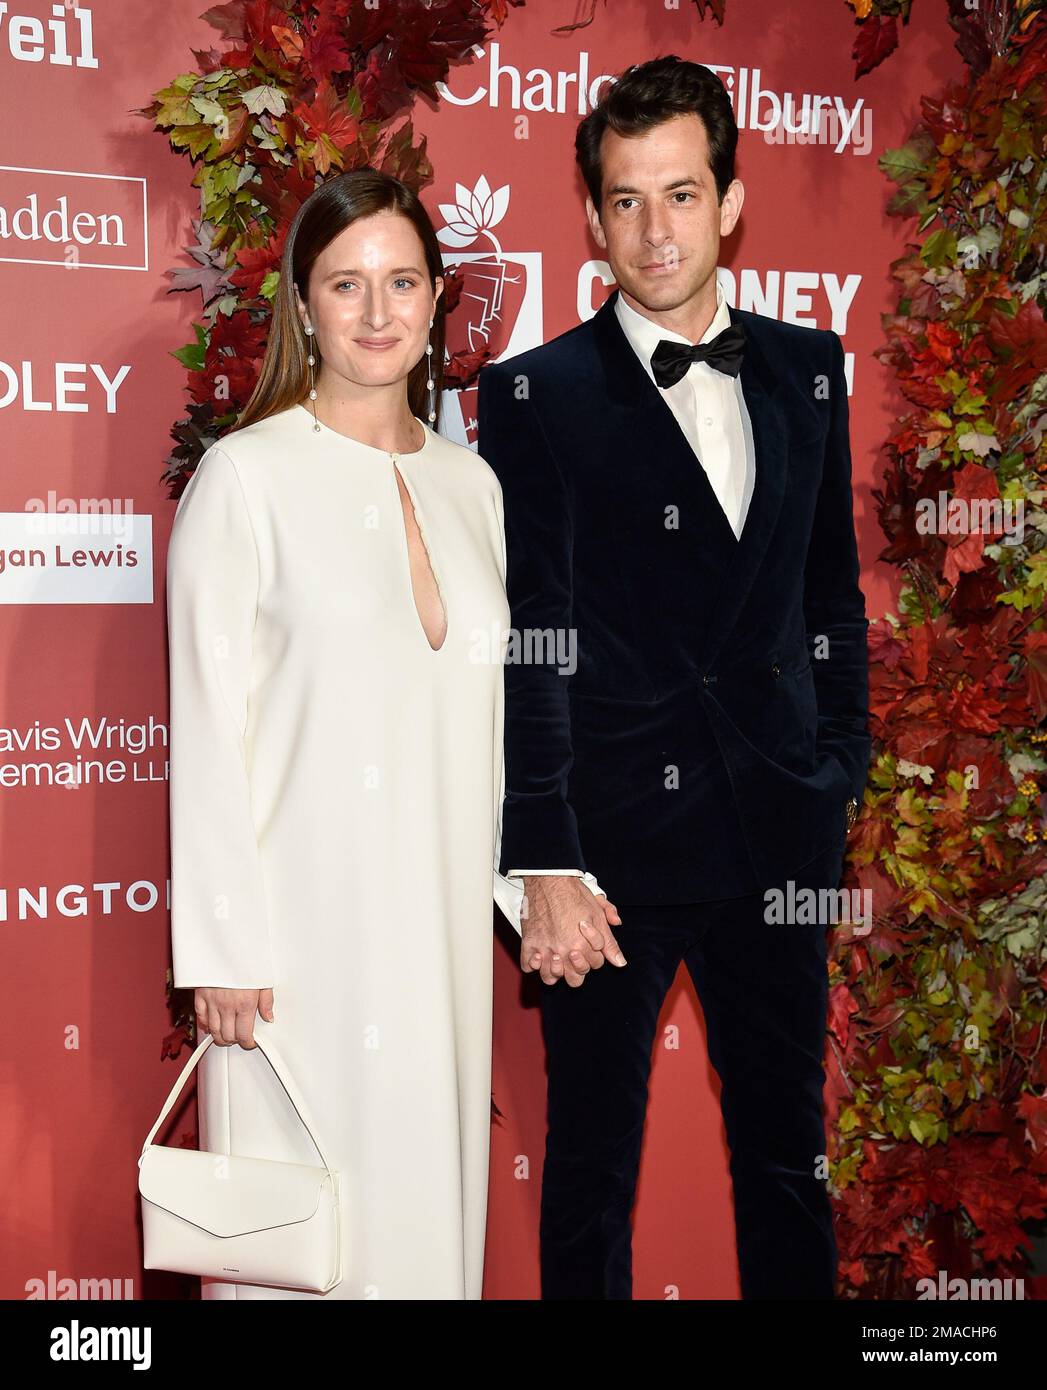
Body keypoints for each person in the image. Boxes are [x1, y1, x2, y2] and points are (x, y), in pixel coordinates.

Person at [477, 55, 871, 1299]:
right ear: (592, 219)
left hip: (778, 835)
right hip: (612, 860)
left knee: (787, 1163)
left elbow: (831, 597)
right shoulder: (534, 395)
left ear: (732, 201)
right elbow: (533, 637)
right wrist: (544, 854)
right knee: (591, 1178)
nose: (657, 230)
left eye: (683, 195)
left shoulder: (811, 369)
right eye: (628, 201)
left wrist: (837, 768)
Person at [166, 168, 566, 1299]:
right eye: (347, 284)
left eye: (401, 282)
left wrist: (536, 876)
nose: (378, 312)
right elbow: (207, 719)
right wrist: (223, 950)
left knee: (426, 1231)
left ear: (439, 298)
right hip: (296, 953)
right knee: (305, 1254)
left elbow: (500, 728)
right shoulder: (243, 480)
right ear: (303, 305)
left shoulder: (474, 488)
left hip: (437, 938)